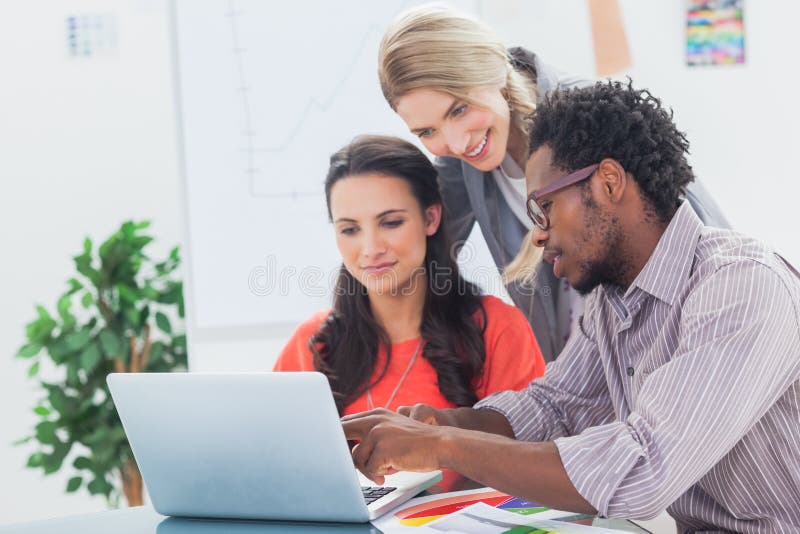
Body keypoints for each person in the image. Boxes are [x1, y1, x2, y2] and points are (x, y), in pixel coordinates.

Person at [342, 82, 800, 532]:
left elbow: (643, 468)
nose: (537, 235)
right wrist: (445, 422)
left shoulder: (740, 286)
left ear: (608, 182)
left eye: (544, 208)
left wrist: (445, 445)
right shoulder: (612, 301)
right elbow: (554, 407)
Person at [378, 4, 730, 362]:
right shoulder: (460, 164)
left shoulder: (594, 116)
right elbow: (417, 249)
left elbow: (704, 234)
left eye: (459, 109)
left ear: (494, 71)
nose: (454, 143)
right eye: (426, 131)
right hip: (580, 369)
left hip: (677, 347)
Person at [274, 135, 545, 417]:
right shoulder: (314, 343)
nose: (371, 249)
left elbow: (529, 452)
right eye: (349, 229)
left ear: (430, 218)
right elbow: (271, 452)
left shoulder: (497, 329)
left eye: (391, 223)